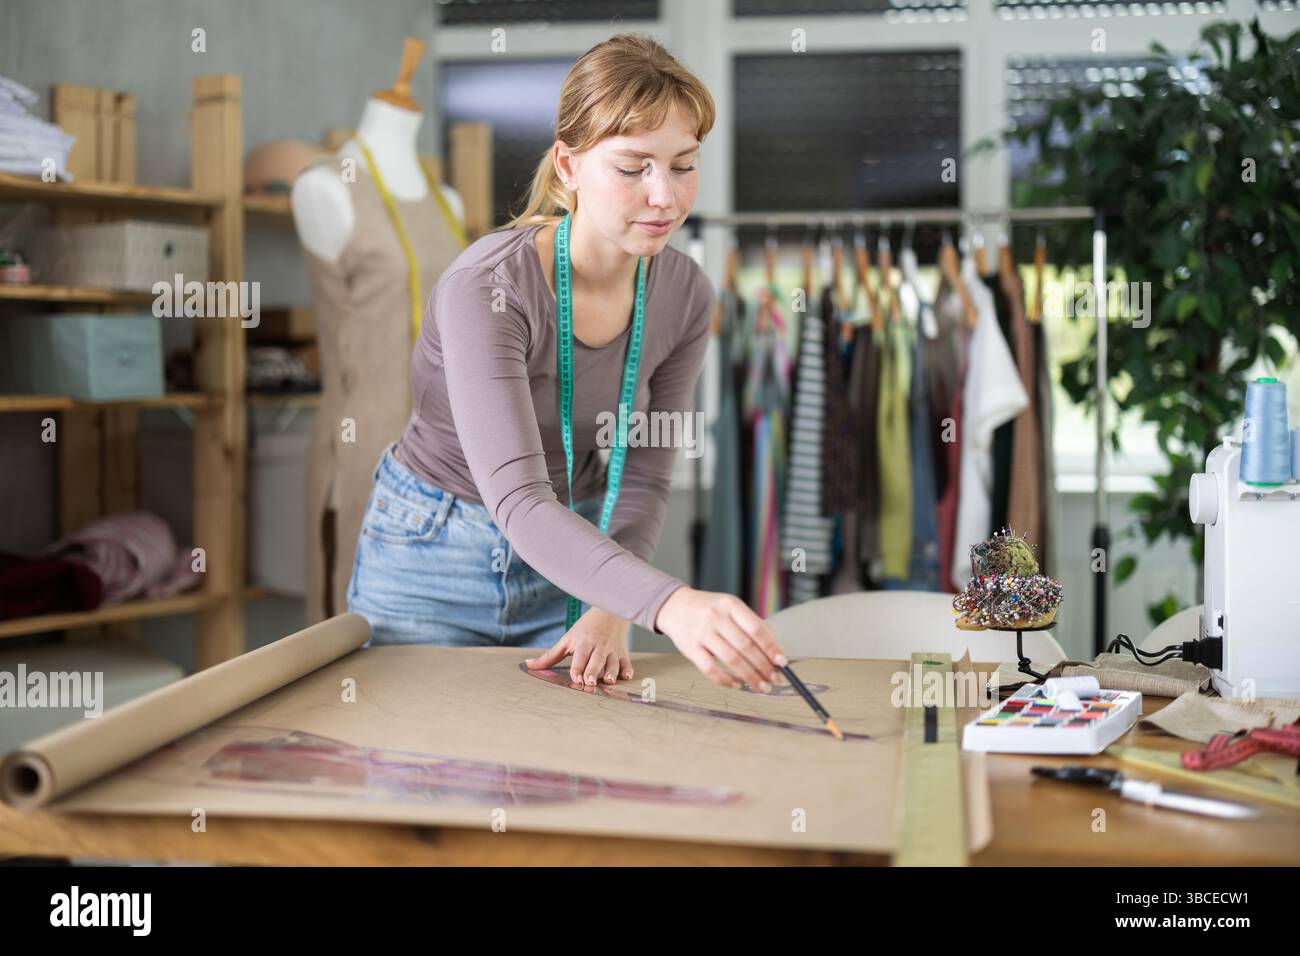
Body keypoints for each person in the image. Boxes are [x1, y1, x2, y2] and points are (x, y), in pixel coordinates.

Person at [347, 33, 788, 693]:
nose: (665, 196)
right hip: (431, 556)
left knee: (558, 785)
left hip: (577, 562)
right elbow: (520, 500)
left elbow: (641, 478)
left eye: (683, 164)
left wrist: (614, 604)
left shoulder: (687, 295)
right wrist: (670, 604)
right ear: (567, 168)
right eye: (634, 166)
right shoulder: (487, 288)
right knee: (417, 781)